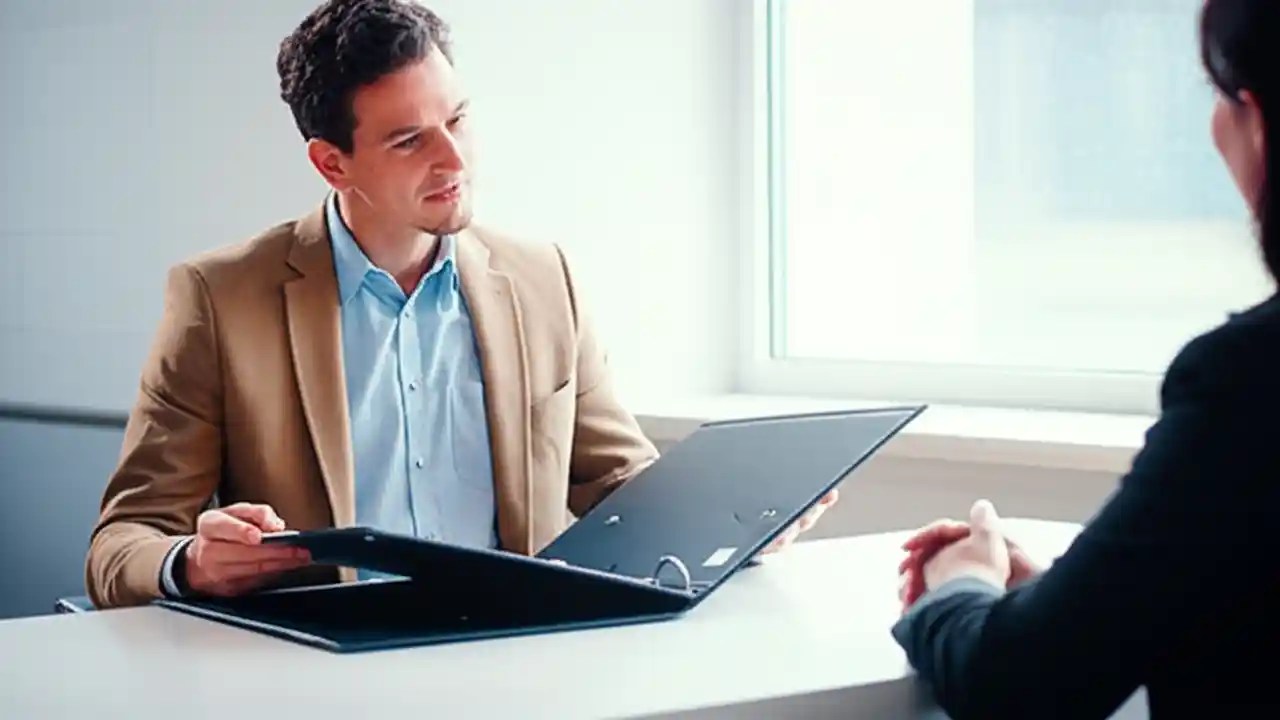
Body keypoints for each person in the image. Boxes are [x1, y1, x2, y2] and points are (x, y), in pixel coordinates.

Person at [85, 0, 837, 609]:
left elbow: (618, 483)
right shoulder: (220, 298)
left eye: (460, 118)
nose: (455, 159)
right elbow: (124, 541)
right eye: (410, 140)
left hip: (520, 656)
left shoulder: (545, 278)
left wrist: (740, 523)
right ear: (330, 161)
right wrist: (192, 563)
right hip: (319, 673)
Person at [891, 0, 1280, 716]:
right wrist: (1074, 603)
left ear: (1257, 120)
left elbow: (1016, 683)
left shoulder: (1247, 383)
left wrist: (962, 580)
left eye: (1217, 96)